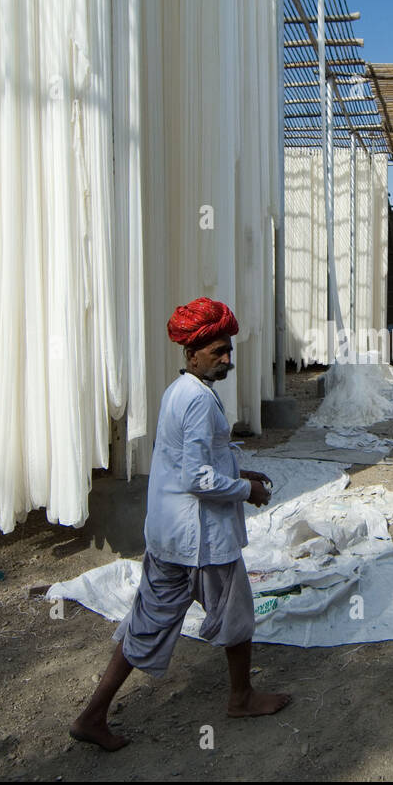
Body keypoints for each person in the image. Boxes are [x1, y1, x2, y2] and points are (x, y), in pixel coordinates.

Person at [70, 298, 290, 751]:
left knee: (146, 623)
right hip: (201, 541)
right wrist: (247, 491)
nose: (227, 359)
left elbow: (192, 461)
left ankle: (92, 715)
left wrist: (241, 472)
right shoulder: (196, 401)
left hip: (169, 537)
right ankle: (241, 696)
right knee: (236, 614)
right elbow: (197, 477)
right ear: (192, 355)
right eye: (217, 352)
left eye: (228, 350)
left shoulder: (181, 392)